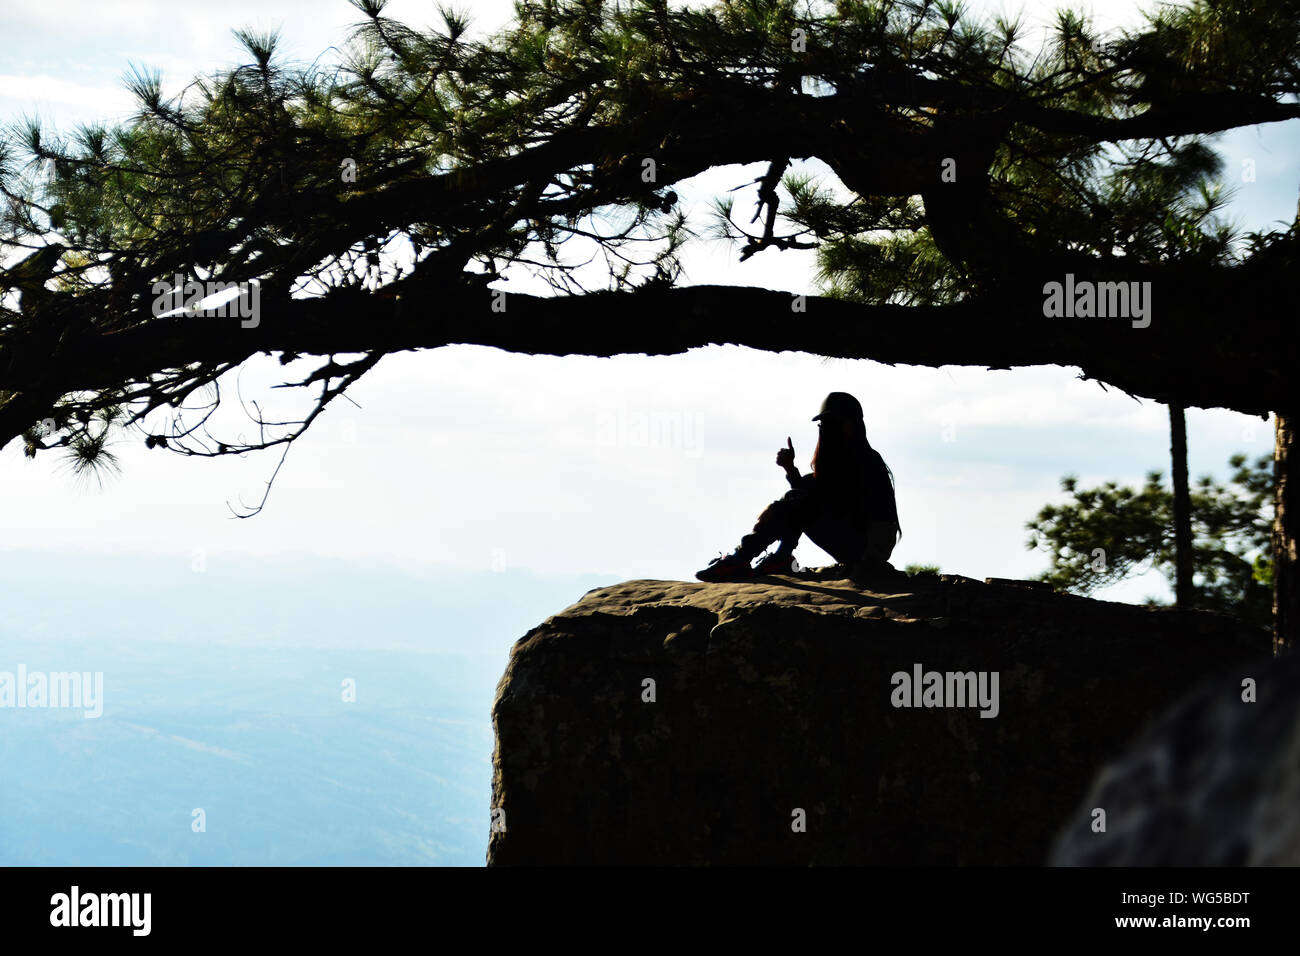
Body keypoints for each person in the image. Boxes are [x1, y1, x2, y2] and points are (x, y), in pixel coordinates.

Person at [695, 391, 901, 582]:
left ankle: (743, 558)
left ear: (849, 425)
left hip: (866, 551)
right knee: (797, 499)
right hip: (853, 542)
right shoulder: (841, 460)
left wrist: (776, 508)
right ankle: (775, 557)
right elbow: (814, 493)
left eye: (831, 423)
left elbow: (825, 500)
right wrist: (790, 469)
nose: (826, 430)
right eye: (823, 425)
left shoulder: (866, 461)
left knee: (798, 502)